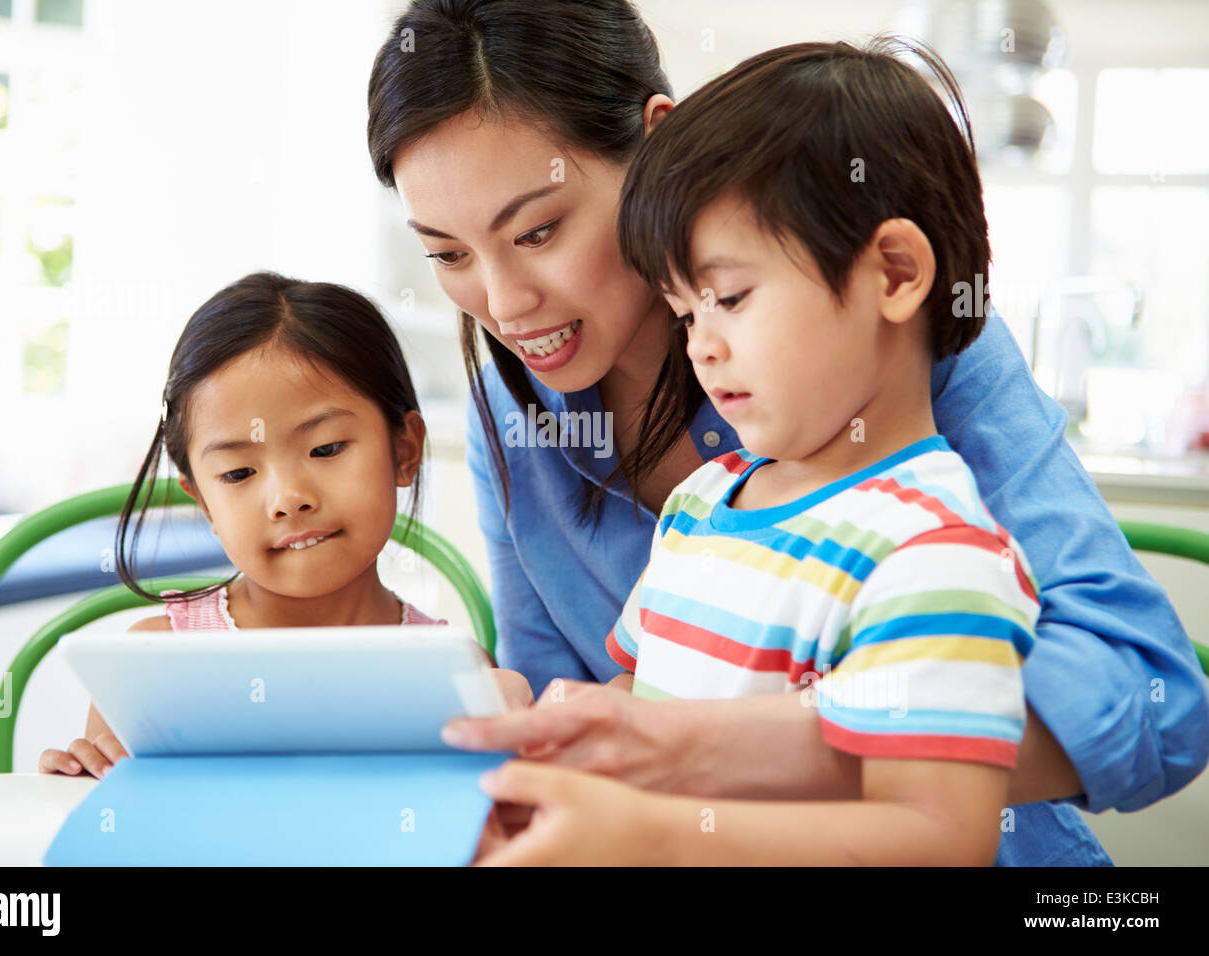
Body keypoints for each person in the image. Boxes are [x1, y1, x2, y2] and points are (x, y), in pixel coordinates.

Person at [369, 0, 1209, 865]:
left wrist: (695, 751)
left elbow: (1154, 698)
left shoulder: (895, 339)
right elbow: (578, 706)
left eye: (538, 230)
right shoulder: (520, 419)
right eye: (447, 255)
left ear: (656, 144)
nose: (504, 306)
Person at [39, 272, 532, 779]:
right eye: (237, 473)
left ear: (404, 449)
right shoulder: (150, 663)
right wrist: (80, 781)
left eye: (326, 449)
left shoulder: (453, 671)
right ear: (206, 505)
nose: (288, 499)